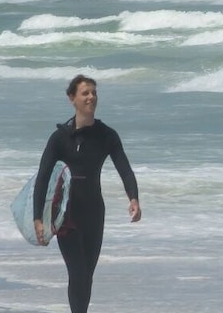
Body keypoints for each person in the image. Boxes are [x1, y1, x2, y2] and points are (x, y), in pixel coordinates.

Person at [32, 75, 141, 313]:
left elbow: (124, 167)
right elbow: (42, 177)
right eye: (85, 93)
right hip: (66, 215)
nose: (91, 97)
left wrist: (133, 198)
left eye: (94, 92)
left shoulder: (106, 135)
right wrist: (38, 217)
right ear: (72, 98)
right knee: (78, 272)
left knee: (87, 275)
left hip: (94, 213)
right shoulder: (60, 138)